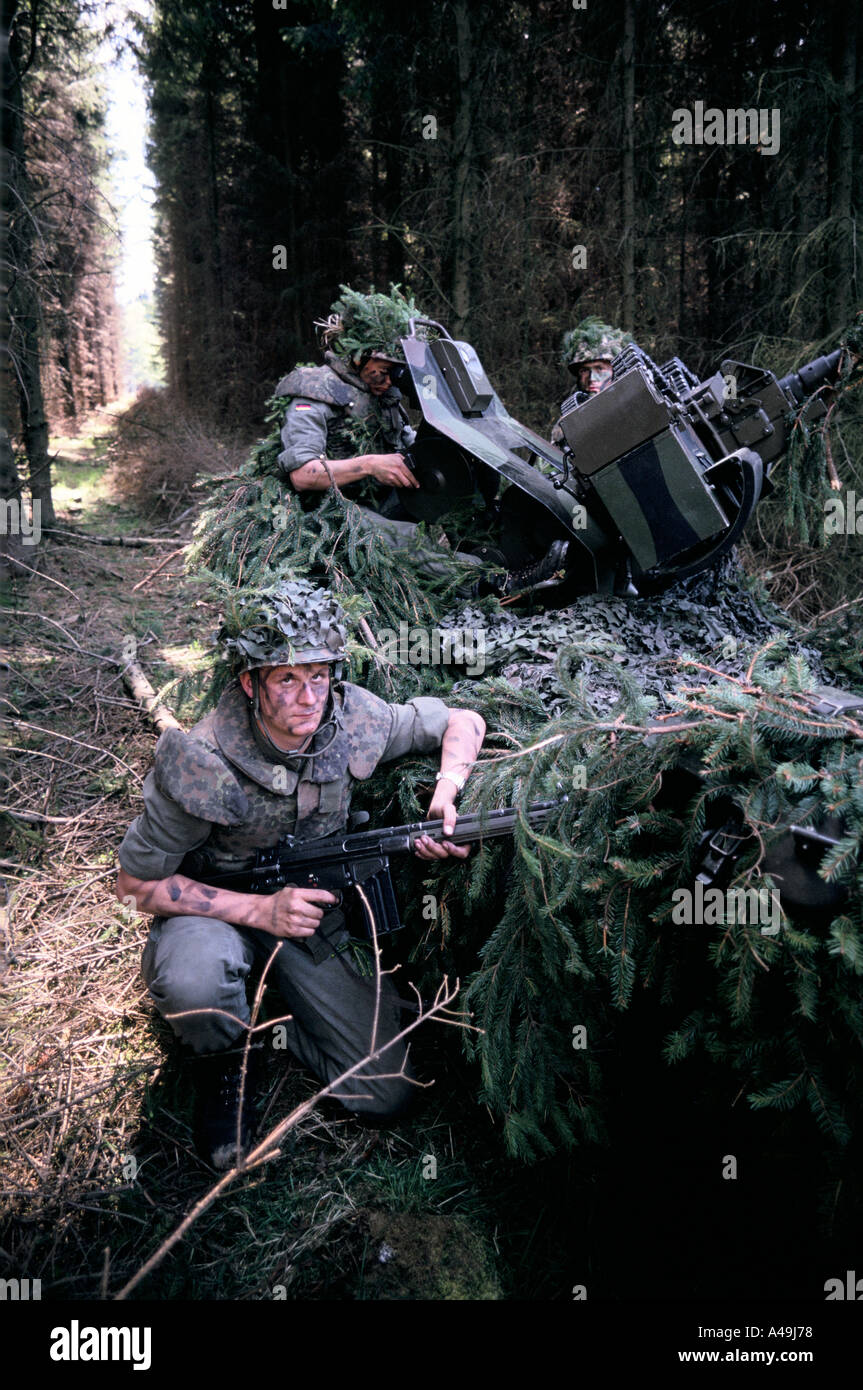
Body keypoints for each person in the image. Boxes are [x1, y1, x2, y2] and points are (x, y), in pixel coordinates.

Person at [115, 580, 486, 1169]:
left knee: (385, 1091)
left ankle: (277, 1018)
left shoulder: (352, 717)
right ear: (250, 684)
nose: (308, 696)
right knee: (196, 986)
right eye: (286, 678)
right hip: (212, 908)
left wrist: (448, 789)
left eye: (318, 675)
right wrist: (259, 912)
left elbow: (461, 721)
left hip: (306, 910)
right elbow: (136, 887)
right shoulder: (203, 761)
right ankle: (227, 1055)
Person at [276, 284, 569, 597]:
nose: (388, 382)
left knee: (455, 491)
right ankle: (496, 583)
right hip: (325, 510)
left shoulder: (383, 395)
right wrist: (370, 464)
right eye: (381, 372)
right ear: (358, 357)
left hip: (377, 498)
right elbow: (302, 475)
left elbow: (408, 443)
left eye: (394, 373)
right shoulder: (314, 392)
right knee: (405, 537)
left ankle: (509, 559)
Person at [551, 317, 633, 444]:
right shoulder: (569, 421)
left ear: (615, 370)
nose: (591, 379)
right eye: (584, 371)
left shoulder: (636, 401)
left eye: (599, 368)